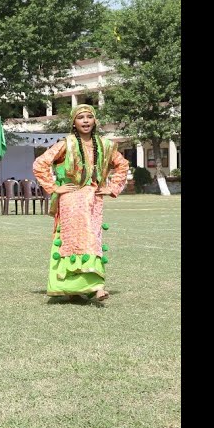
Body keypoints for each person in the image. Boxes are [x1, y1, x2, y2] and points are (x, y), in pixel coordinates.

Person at [32, 104, 128, 301]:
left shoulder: (105, 145)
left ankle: (86, 287)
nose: (85, 121)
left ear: (95, 121)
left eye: (89, 117)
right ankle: (89, 287)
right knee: (73, 241)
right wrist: (54, 187)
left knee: (92, 238)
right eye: (80, 117)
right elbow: (40, 163)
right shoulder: (66, 143)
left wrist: (112, 188)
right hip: (71, 199)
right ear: (73, 123)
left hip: (93, 199)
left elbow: (122, 165)